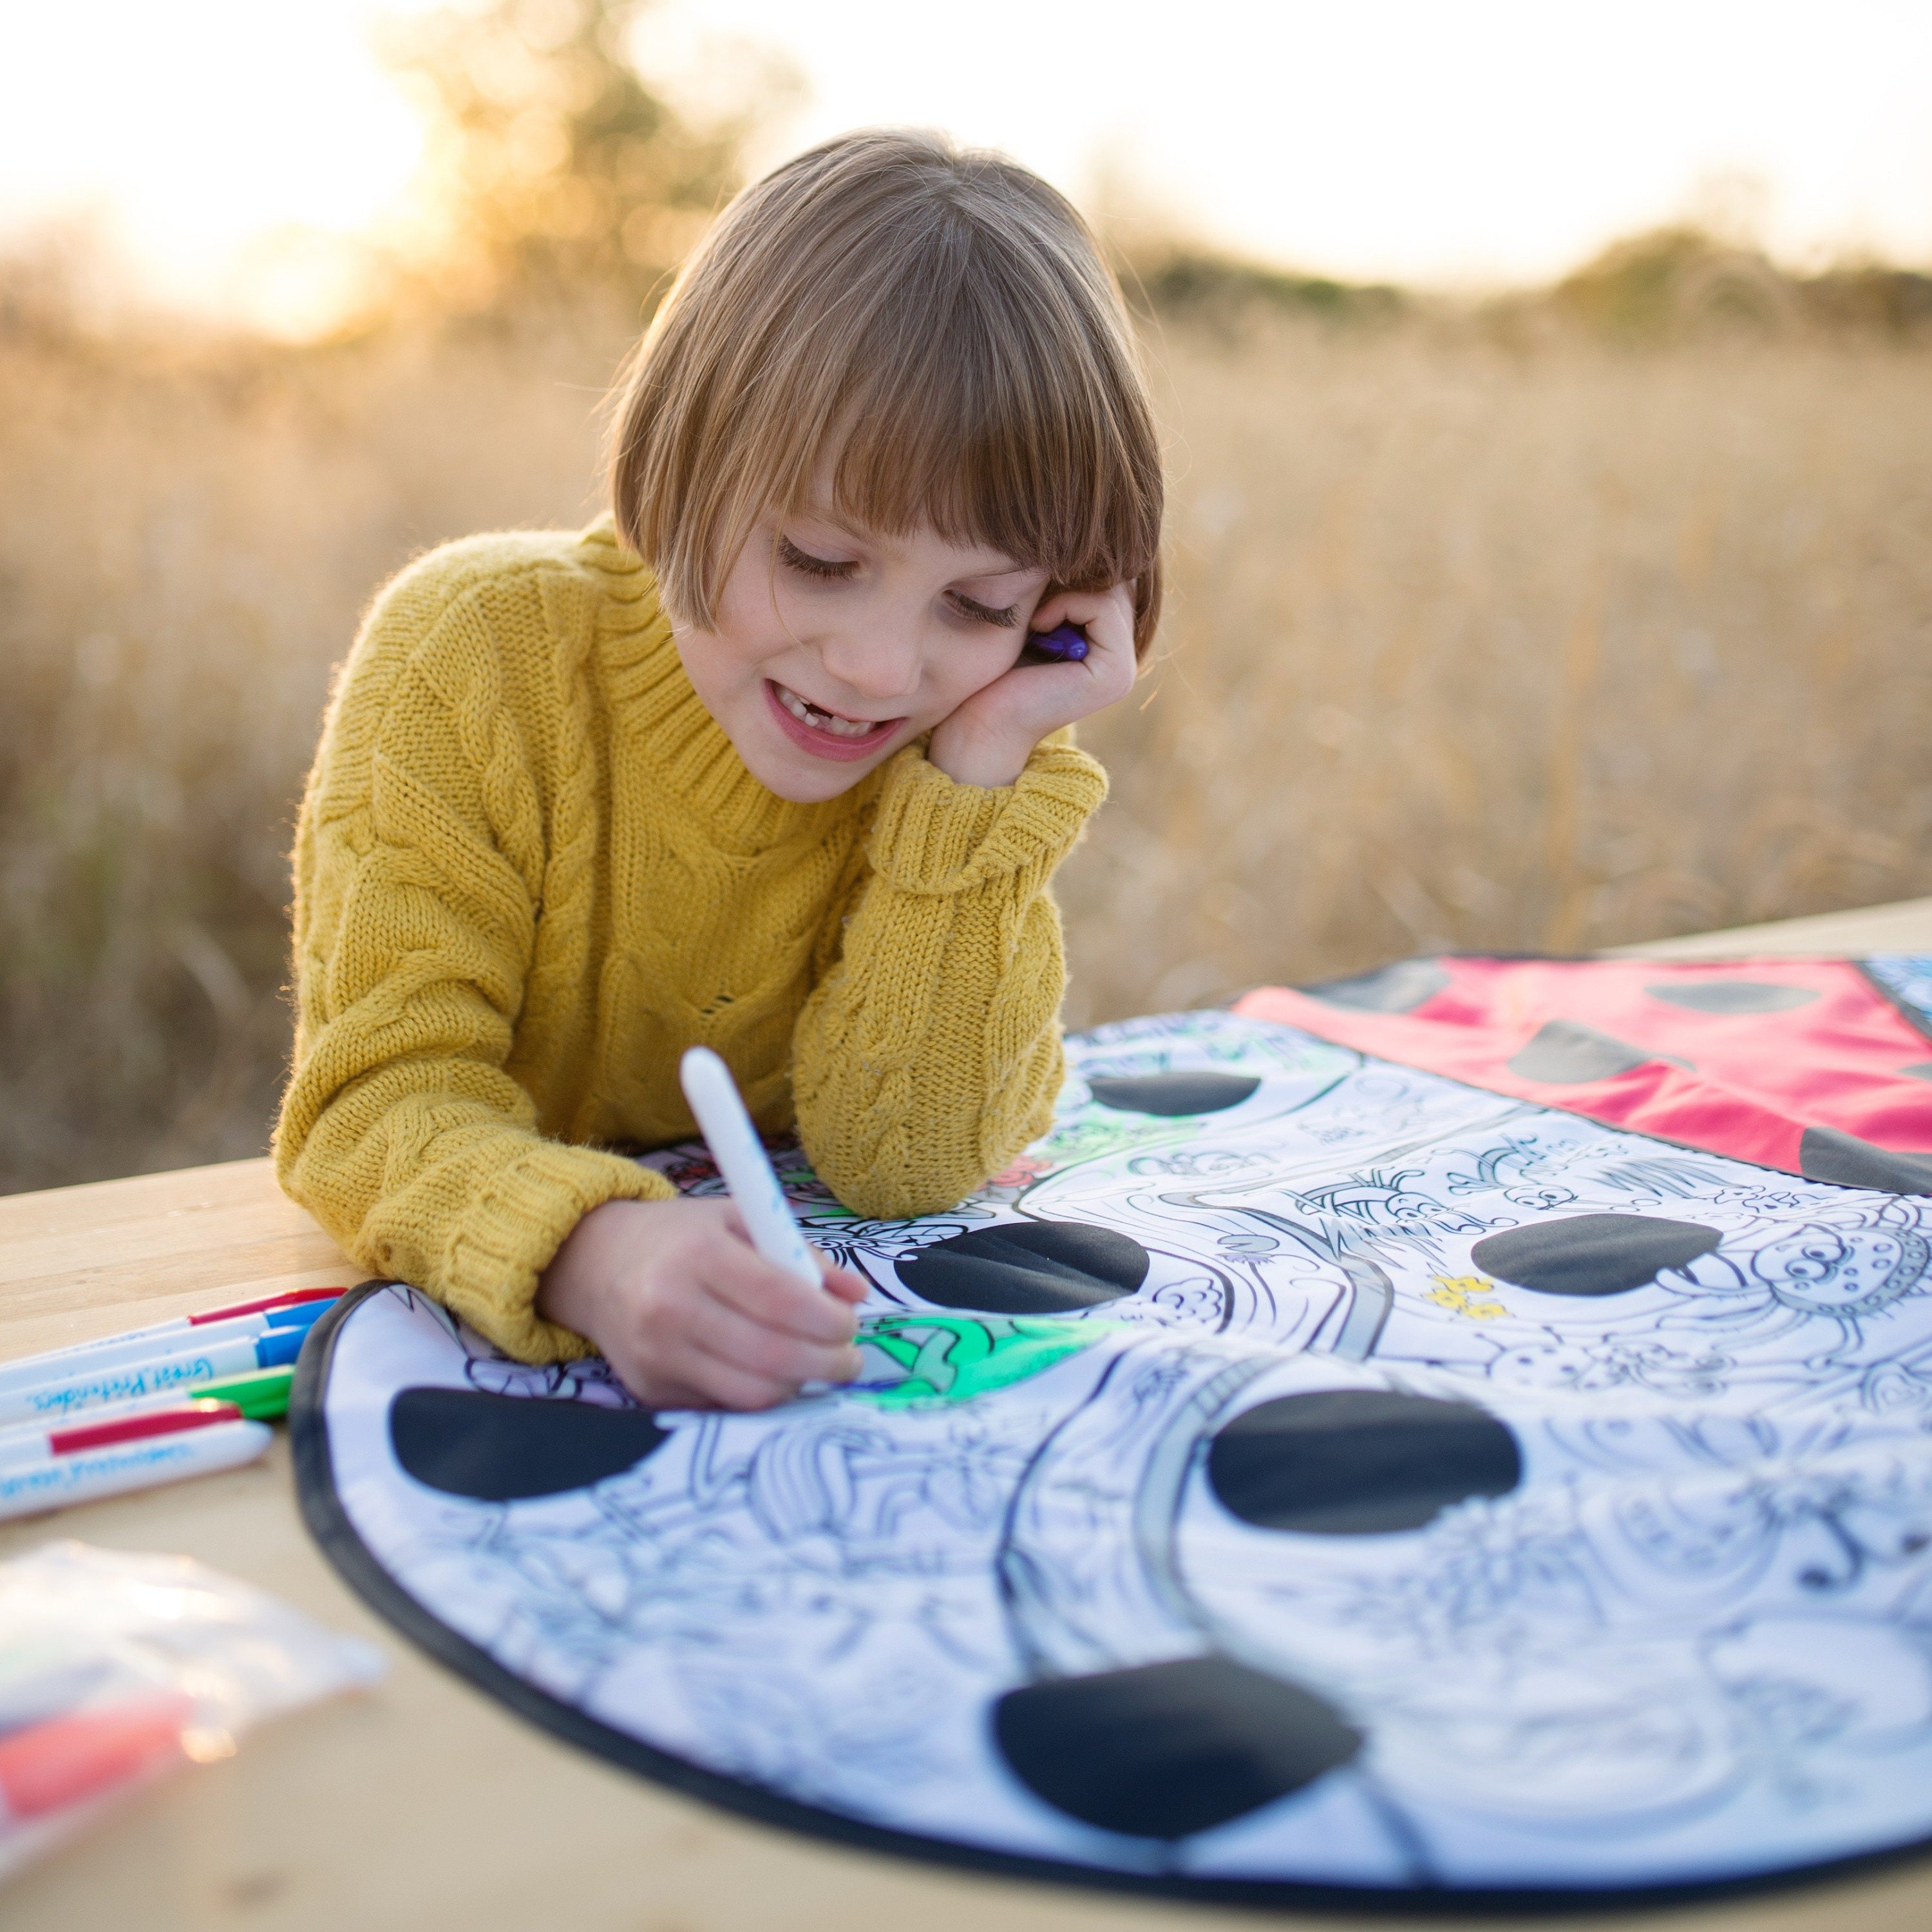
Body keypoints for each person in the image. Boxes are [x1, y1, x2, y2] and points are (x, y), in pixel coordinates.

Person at [274, 129, 1164, 1411]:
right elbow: (369, 1103)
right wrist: (594, 1253)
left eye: (975, 602)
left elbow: (907, 1164)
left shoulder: (965, 727)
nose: (874, 667)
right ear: (682, 457)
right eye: (818, 559)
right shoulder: (473, 658)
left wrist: (978, 771)